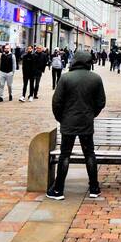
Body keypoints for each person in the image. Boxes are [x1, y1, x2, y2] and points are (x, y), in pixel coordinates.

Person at [47, 48, 105, 201]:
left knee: (65, 155)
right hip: (86, 121)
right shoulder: (95, 78)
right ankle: (94, 187)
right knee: (89, 154)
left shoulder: (66, 78)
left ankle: (59, 189)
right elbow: (101, 102)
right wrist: (91, 114)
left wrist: (61, 118)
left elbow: (56, 102)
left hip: (68, 121)